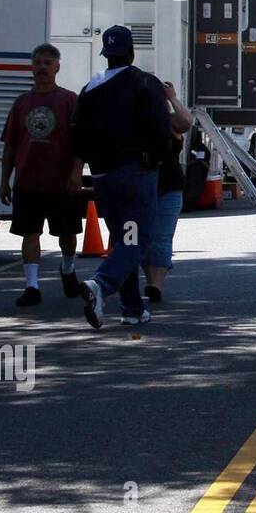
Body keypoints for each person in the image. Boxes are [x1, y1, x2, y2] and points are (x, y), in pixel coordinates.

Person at [71, 26, 172, 328]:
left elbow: (77, 133)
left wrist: (81, 167)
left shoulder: (89, 89)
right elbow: (160, 127)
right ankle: (100, 285)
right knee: (138, 240)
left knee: (124, 238)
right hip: (135, 173)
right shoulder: (144, 83)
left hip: (103, 176)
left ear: (106, 55)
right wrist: (154, 160)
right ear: (131, 53)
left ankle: (132, 308)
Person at [0, 44, 84, 308]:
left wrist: (76, 173)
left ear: (57, 67)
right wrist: (5, 180)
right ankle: (32, 286)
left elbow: (81, 142)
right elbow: (10, 144)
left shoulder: (70, 100)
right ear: (32, 67)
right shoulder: (22, 103)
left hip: (61, 182)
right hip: (28, 181)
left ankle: (68, 269)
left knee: (67, 234)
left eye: (47, 63)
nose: (42, 67)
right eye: (37, 63)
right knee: (30, 232)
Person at [142, 81, 194, 304]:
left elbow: (187, 121)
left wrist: (173, 97)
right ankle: (153, 282)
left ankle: (154, 285)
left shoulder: (170, 122)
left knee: (159, 237)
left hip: (168, 187)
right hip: (145, 187)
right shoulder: (138, 122)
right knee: (149, 238)